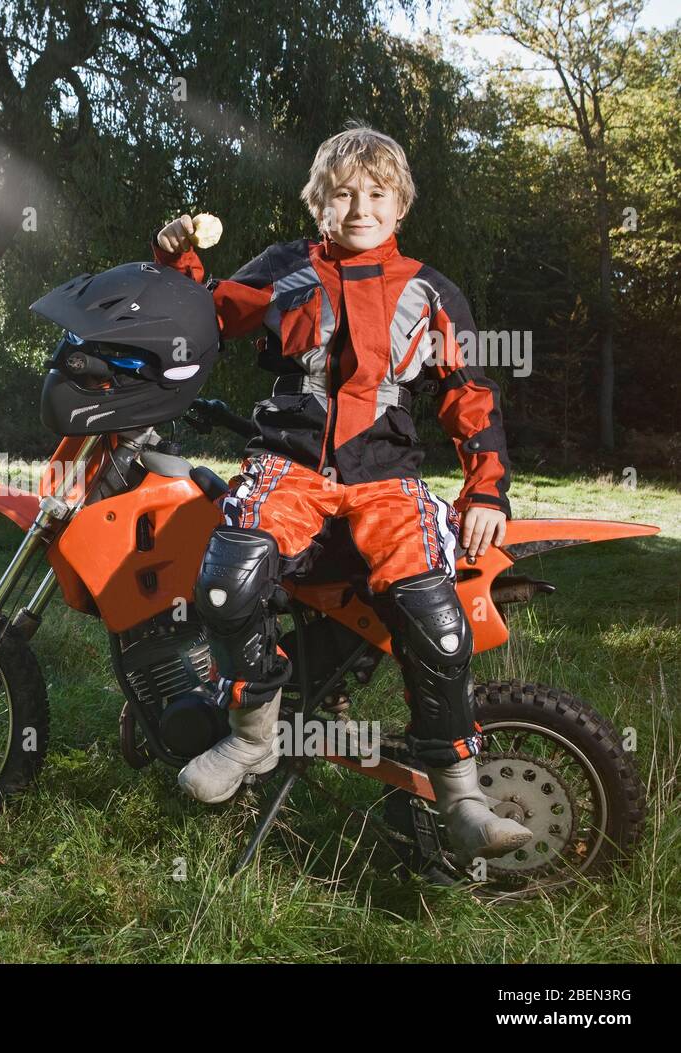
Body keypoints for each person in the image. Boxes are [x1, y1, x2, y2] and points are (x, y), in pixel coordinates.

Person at [151, 124, 531, 860]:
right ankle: (254, 734)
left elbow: (470, 393)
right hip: (288, 466)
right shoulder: (284, 268)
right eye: (343, 194)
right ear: (318, 204)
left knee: (440, 622)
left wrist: (486, 491)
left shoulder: (432, 290)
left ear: (400, 206)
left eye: (377, 194)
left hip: (386, 479)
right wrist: (178, 260)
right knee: (226, 586)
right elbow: (206, 313)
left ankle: (461, 796)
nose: (360, 207)